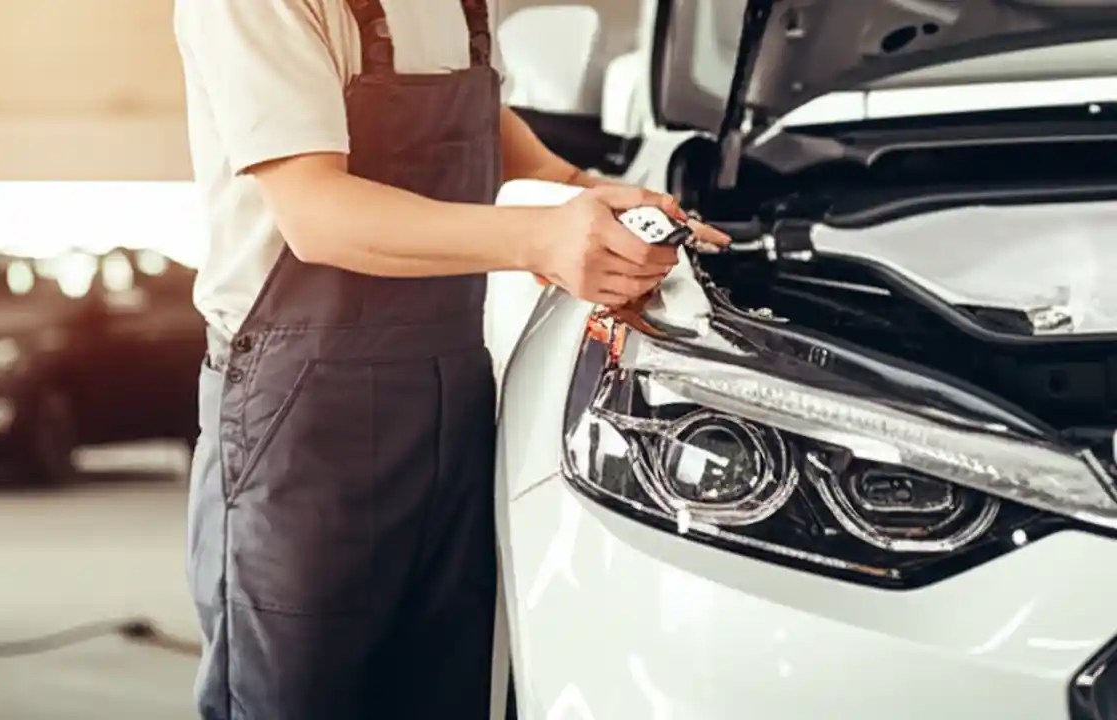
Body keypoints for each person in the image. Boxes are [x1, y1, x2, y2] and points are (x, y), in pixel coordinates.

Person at [174, 1, 731, 718]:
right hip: (302, 414)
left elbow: (482, 126)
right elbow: (316, 212)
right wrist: (540, 239)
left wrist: (584, 194)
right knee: (296, 694)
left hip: (451, 392)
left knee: (441, 688)